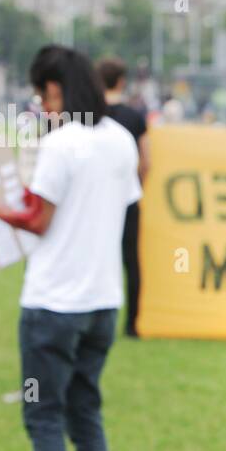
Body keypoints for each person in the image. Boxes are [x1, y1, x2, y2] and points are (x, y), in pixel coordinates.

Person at [0, 45, 141, 451]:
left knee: (43, 413)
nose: (41, 104)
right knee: (85, 410)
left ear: (57, 89)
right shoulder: (121, 140)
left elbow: (37, 219)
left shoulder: (61, 145)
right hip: (103, 301)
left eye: (43, 93)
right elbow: (122, 206)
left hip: (53, 302)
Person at [96, 57, 149, 338]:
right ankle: (131, 324)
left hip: (97, 201)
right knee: (132, 262)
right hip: (127, 201)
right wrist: (136, 188)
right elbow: (145, 161)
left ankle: (94, 317)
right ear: (121, 81)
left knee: (97, 257)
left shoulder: (91, 117)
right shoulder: (134, 116)